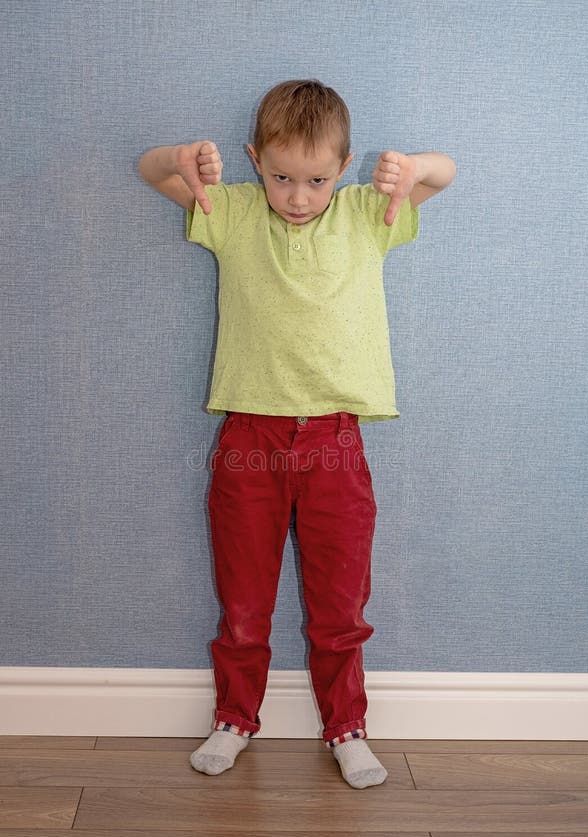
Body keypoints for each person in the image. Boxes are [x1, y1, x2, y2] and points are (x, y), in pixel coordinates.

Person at [139, 79, 456, 789]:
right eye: (281, 177)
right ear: (256, 162)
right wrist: (182, 159)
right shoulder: (236, 212)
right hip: (249, 438)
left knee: (339, 608)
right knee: (244, 603)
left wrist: (412, 168)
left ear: (342, 170)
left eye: (316, 179)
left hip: (336, 444)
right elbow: (151, 171)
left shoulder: (368, 215)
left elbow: (447, 172)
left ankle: (347, 727)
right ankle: (234, 719)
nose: (298, 196)